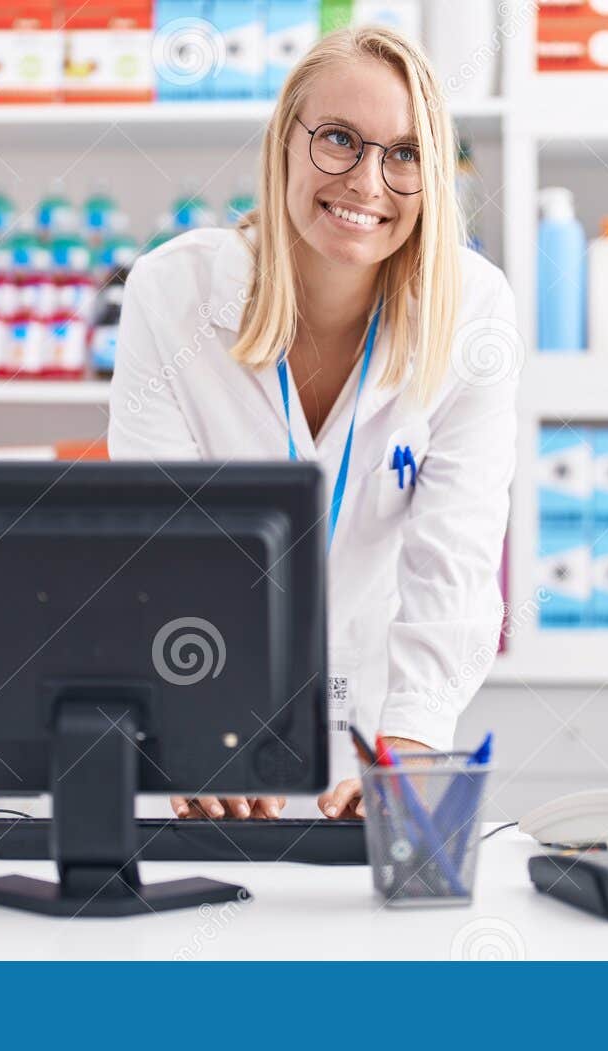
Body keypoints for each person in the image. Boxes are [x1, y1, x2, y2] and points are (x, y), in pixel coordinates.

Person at [108, 25, 518, 820]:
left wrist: (413, 743)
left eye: (403, 154)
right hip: (196, 722)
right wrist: (200, 726)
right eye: (339, 140)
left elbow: (458, 556)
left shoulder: (474, 311)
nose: (368, 181)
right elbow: (158, 545)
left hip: (376, 734)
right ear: (284, 144)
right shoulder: (174, 293)